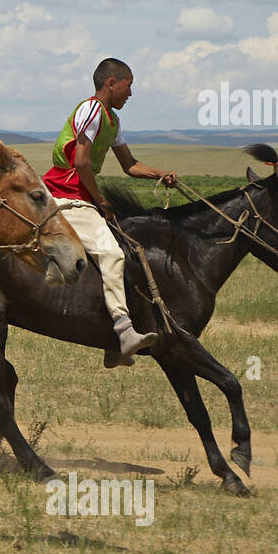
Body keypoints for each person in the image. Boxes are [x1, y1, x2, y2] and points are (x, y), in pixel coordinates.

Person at [40, 57, 178, 367]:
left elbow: (129, 165)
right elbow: (81, 163)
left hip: (80, 194)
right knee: (112, 255)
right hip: (67, 193)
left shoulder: (112, 121)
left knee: (123, 252)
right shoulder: (91, 111)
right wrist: (101, 201)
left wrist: (159, 174)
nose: (130, 94)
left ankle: (112, 343)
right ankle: (124, 332)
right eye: (128, 86)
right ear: (111, 84)